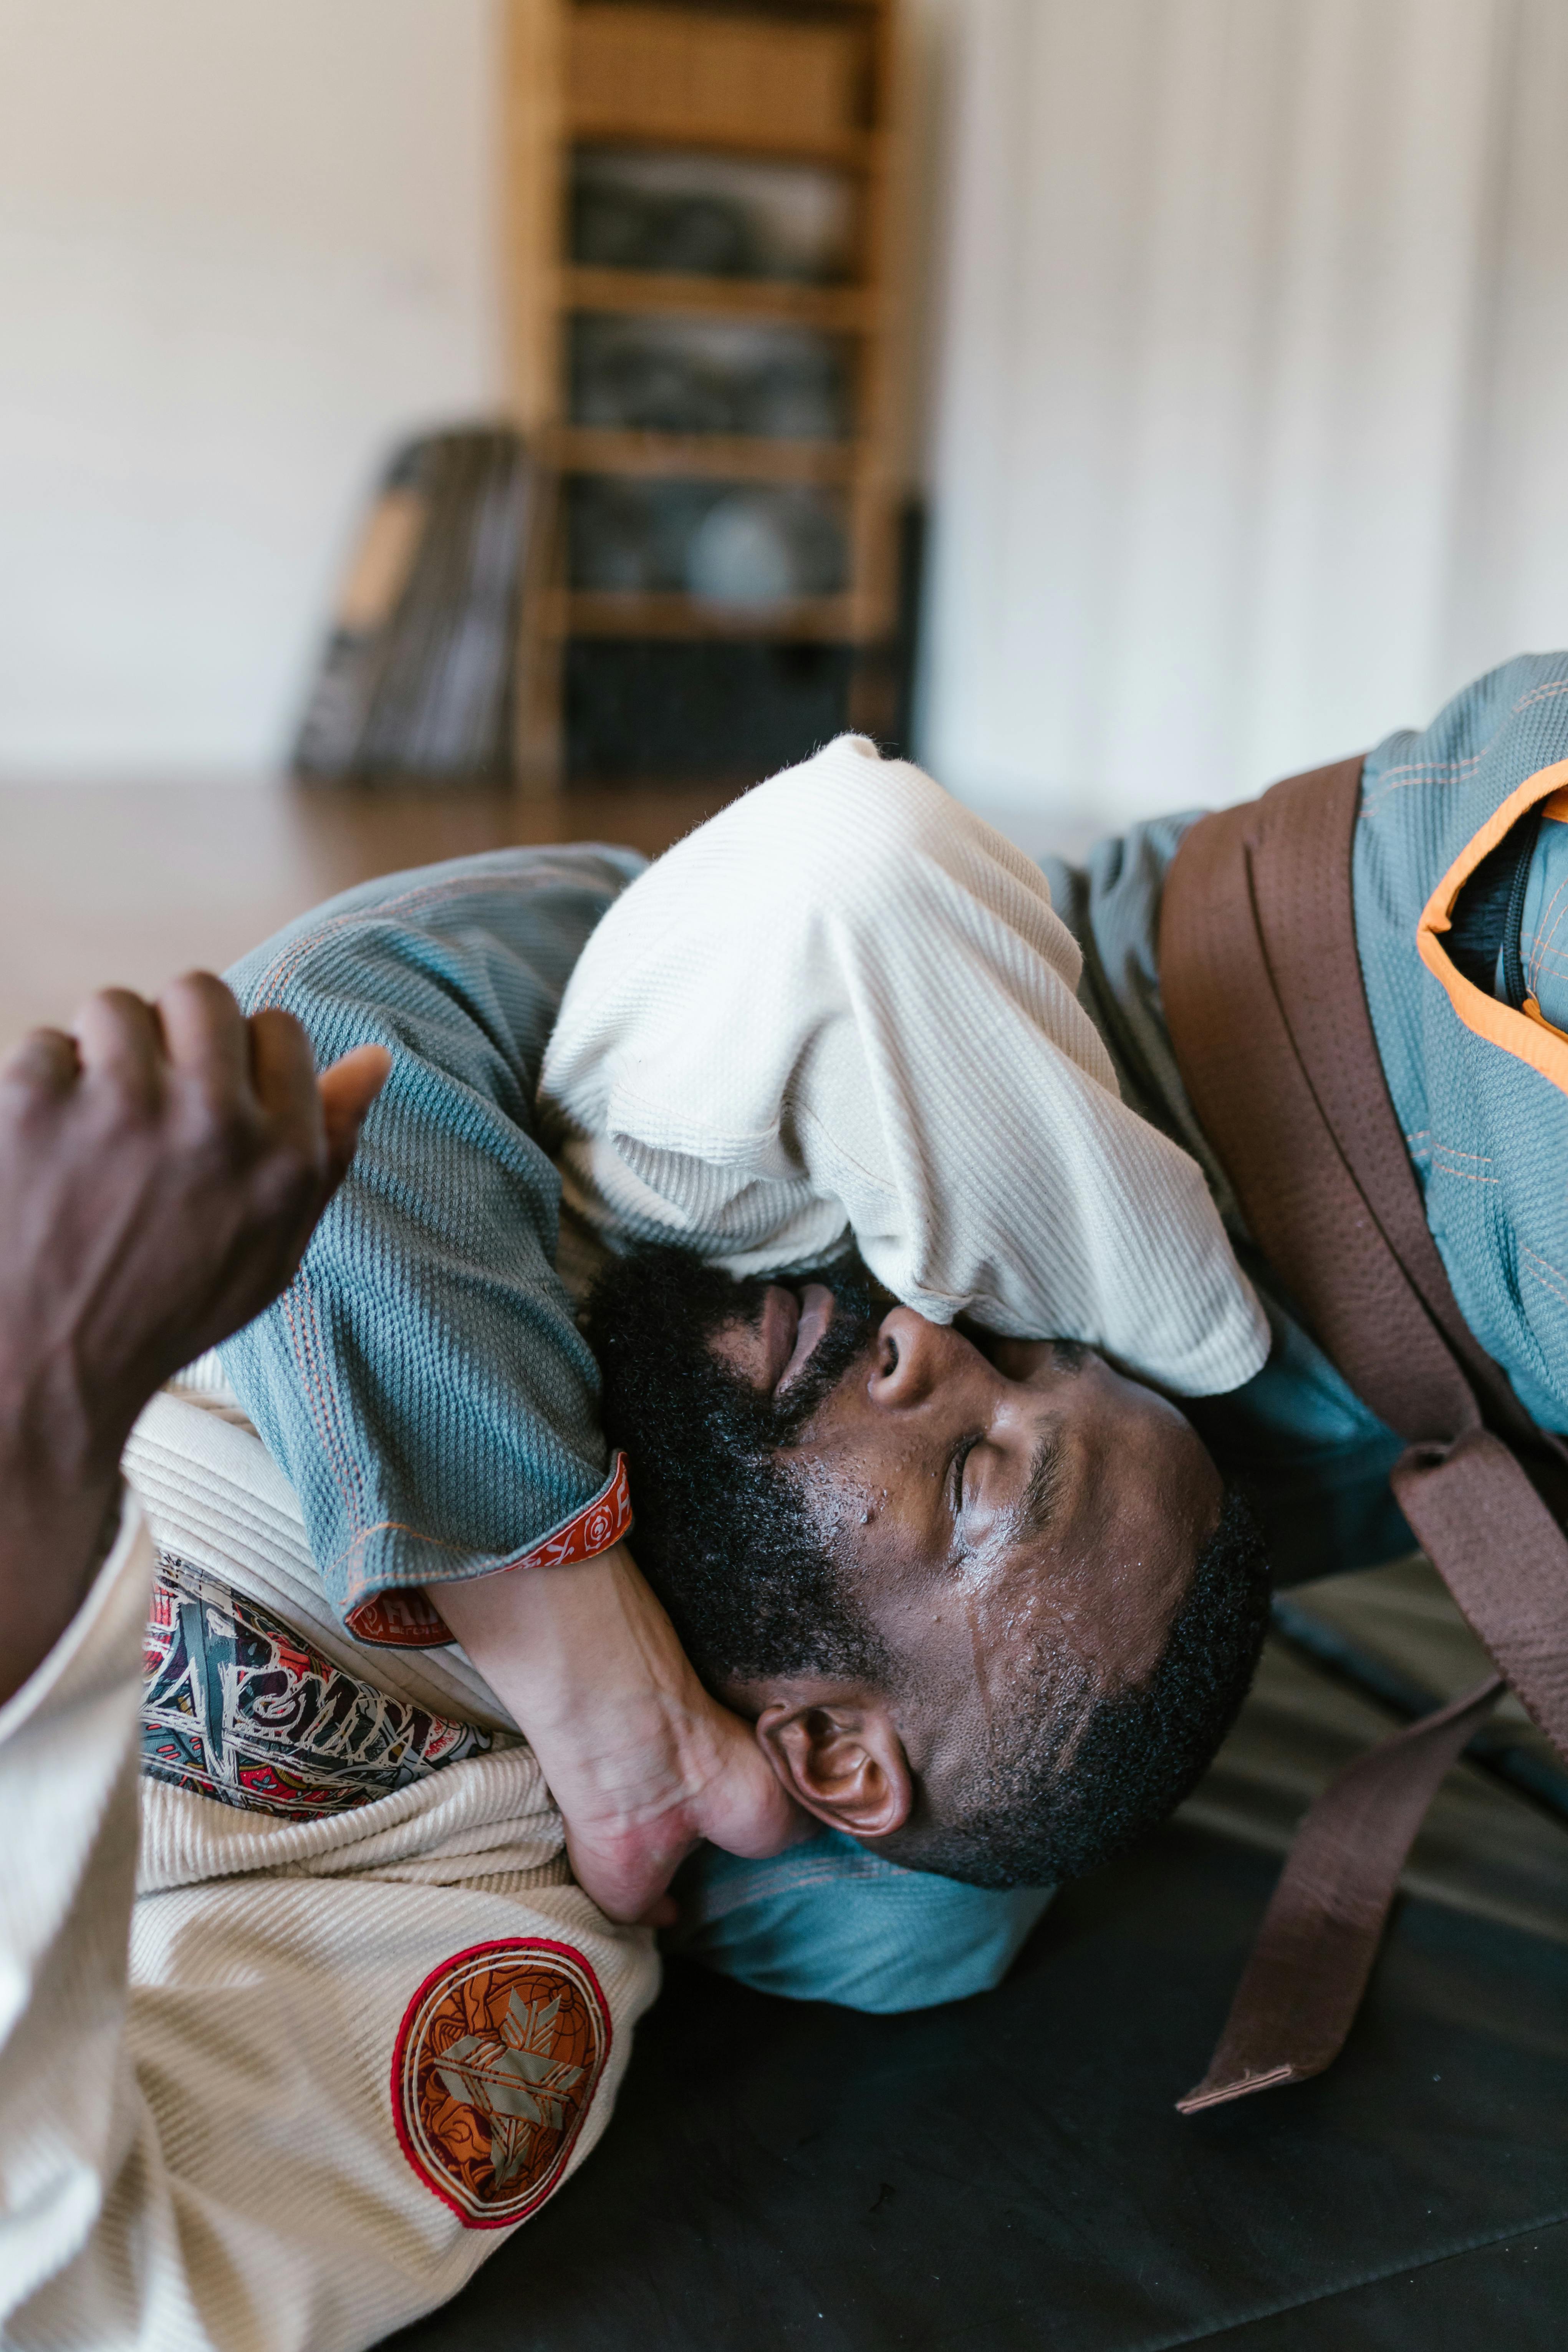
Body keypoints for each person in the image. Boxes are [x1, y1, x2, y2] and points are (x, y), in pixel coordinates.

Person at [0, 977, 662, 2352]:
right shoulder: (532, 1277)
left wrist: (43, 1412)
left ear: (844, 1752)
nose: (918, 1342)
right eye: (1011, 1344)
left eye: (989, 1479)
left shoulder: (504, 1956)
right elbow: (346, 980)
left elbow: (83, 2315)